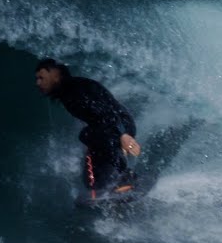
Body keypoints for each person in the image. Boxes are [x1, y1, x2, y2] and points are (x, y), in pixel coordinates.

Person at [34, 58, 141, 198]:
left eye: (41, 77)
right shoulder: (70, 90)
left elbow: (108, 111)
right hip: (114, 125)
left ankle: (125, 176)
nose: (38, 83)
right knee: (90, 146)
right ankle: (110, 183)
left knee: (87, 135)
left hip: (118, 124)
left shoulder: (74, 91)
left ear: (55, 75)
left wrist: (123, 135)